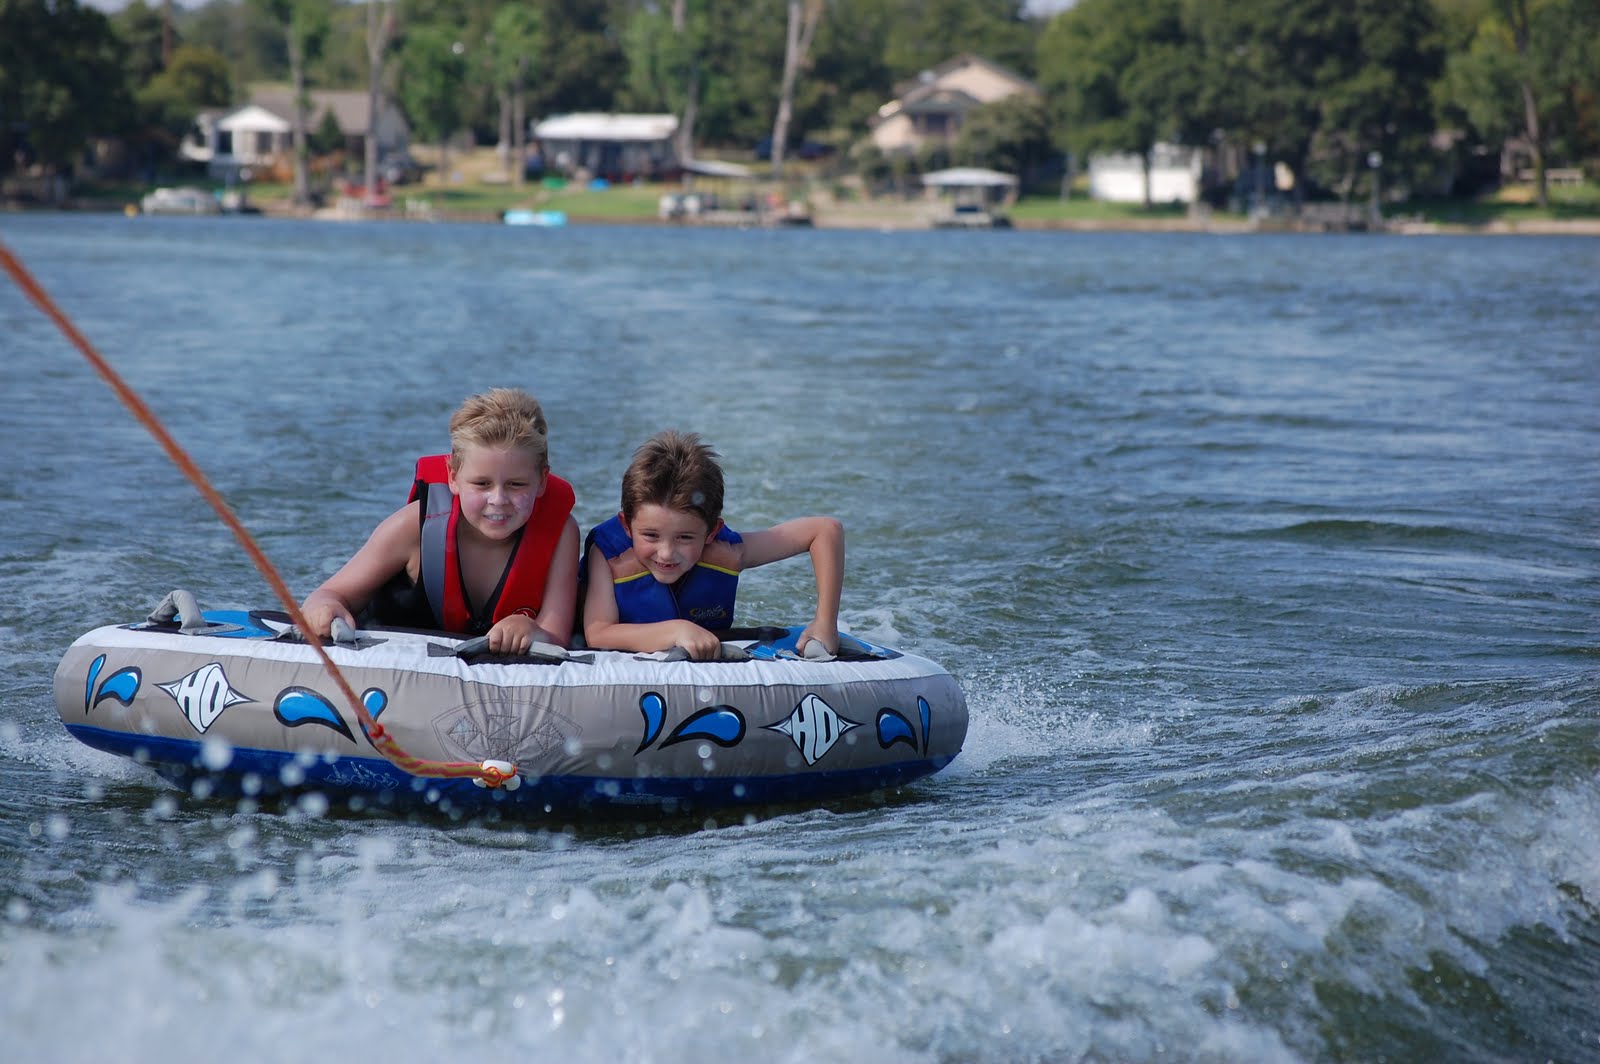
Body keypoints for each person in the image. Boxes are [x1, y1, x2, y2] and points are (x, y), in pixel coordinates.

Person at [300, 388, 579, 652]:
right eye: (481, 484)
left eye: (516, 485)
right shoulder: (412, 527)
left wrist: (531, 630)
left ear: (542, 481)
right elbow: (329, 594)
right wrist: (324, 608)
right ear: (453, 477)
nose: (498, 499)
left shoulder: (561, 534)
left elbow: (556, 635)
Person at [582, 430, 844, 660]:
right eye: (650, 536)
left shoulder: (728, 551)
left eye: (685, 537)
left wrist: (825, 622)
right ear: (627, 526)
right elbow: (599, 633)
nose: (666, 552)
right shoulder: (608, 555)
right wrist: (677, 630)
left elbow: (825, 530)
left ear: (711, 532)